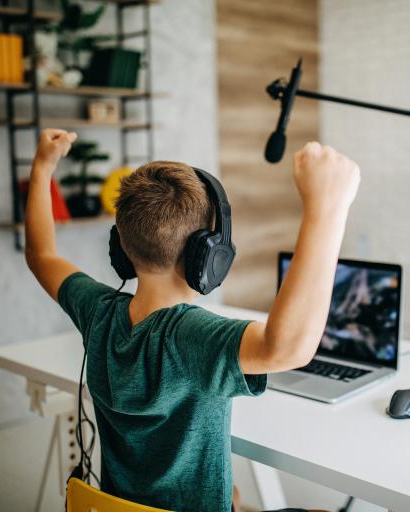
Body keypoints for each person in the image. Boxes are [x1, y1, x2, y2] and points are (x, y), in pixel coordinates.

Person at [24, 129, 360, 512]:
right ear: (210, 254)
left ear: (121, 247)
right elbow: (286, 348)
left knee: (235, 498)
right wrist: (326, 208)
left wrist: (42, 168)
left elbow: (41, 256)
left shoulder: (98, 312)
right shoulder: (190, 337)